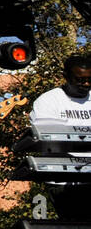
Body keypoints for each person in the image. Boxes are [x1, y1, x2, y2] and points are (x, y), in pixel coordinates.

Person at [29, 53, 91, 218]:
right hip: (65, 183)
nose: (85, 84)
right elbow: (49, 139)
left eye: (89, 80)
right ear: (65, 76)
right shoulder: (48, 101)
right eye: (79, 80)